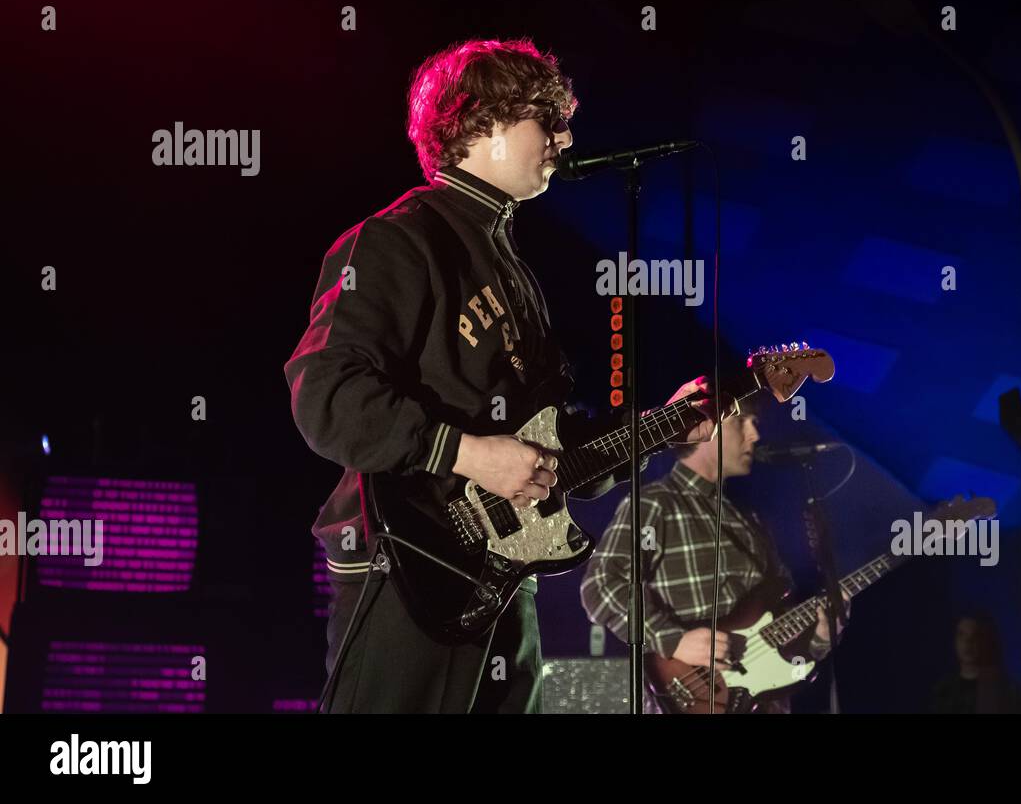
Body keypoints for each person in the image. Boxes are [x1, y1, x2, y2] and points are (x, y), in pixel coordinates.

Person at [285, 37, 710, 712]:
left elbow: (553, 451)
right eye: (547, 117)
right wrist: (470, 454)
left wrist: (667, 422)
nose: (565, 138)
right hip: (411, 563)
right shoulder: (398, 238)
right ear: (480, 121)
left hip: (504, 573)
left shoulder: (513, 264)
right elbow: (327, 394)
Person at [581, 401, 847, 713]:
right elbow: (599, 585)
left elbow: (776, 634)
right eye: (743, 421)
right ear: (706, 428)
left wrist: (818, 637)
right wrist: (674, 640)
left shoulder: (749, 518)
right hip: (692, 695)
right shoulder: (655, 503)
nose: (754, 435)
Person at [929, 614, 1021, 713]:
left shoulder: (1004, 690)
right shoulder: (944, 691)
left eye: (975, 635)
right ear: (955, 642)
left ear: (983, 641)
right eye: (961, 635)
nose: (968, 642)